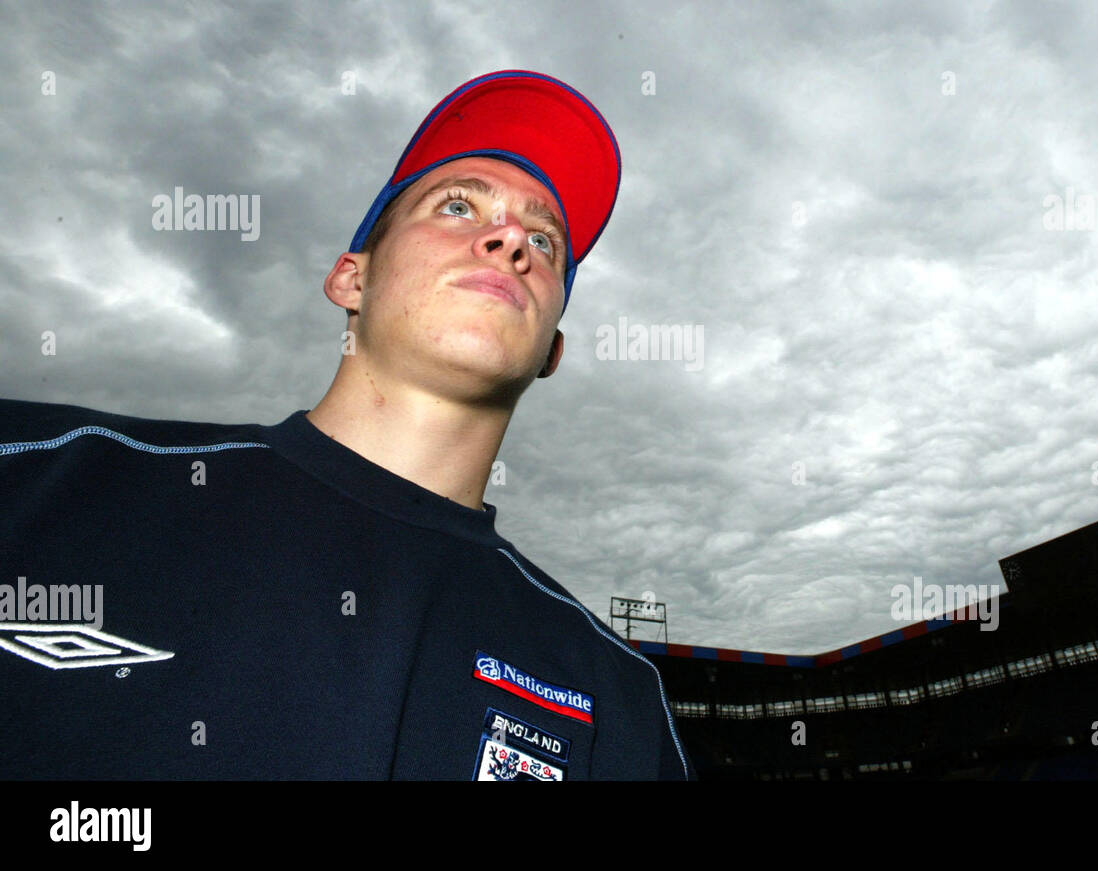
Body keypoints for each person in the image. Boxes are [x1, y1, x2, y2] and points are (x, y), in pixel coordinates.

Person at [0, 69, 694, 781]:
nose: (510, 239)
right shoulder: (39, 476)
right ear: (350, 279)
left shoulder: (616, 700)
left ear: (552, 349)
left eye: (545, 243)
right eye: (458, 206)